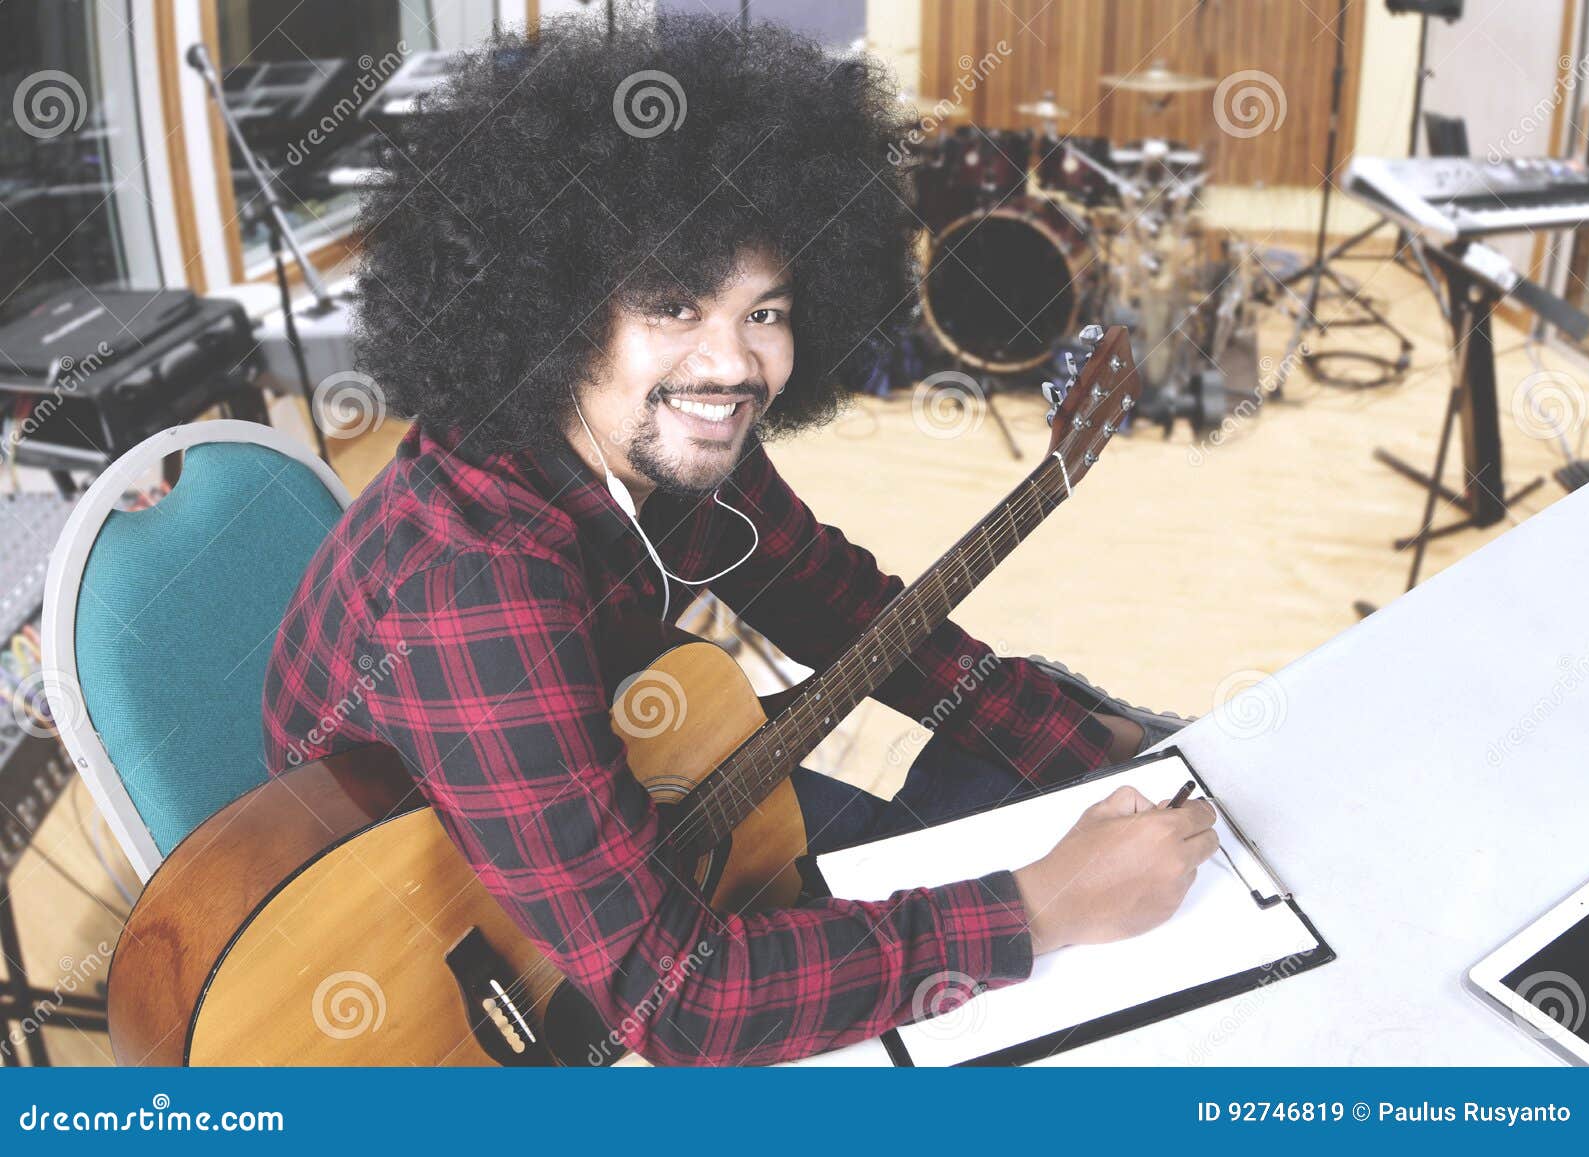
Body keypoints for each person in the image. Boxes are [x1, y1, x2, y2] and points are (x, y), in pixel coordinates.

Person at [262, 11, 1218, 1066]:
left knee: (1013, 771)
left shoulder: (667, 436)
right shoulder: (472, 587)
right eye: (673, 306)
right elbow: (680, 1003)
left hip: (623, 791)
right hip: (443, 968)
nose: (733, 367)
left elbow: (841, 603)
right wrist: (1042, 906)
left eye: (766, 311)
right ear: (554, 314)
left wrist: (1097, 741)